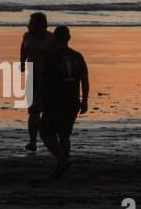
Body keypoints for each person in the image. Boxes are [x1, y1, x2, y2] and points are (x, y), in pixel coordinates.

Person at [39, 26, 89, 177]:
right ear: (69, 38)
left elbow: (44, 82)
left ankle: (62, 160)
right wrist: (85, 99)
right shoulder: (77, 56)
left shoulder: (51, 57)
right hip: (73, 100)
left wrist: (38, 100)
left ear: (54, 38)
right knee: (64, 134)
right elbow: (85, 80)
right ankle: (62, 164)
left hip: (55, 100)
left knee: (45, 132)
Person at [19, 12, 52, 151]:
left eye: (32, 24)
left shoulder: (51, 39)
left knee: (48, 110)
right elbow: (22, 48)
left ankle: (50, 139)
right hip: (32, 77)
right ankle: (33, 142)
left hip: (48, 79)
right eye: (29, 23)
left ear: (42, 26)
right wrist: (22, 62)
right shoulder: (26, 36)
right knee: (33, 111)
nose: (28, 26)